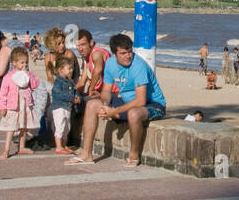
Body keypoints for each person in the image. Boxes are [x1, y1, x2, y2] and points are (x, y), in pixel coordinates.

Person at [69, 33, 167, 168]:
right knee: (92, 104)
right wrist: (104, 106)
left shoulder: (138, 66)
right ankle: (86, 154)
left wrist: (114, 111)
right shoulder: (110, 63)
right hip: (127, 102)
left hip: (153, 105)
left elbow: (140, 100)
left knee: (133, 113)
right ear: (115, 54)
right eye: (123, 53)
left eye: (129, 52)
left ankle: (134, 154)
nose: (128, 56)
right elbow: (106, 91)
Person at [0, 48, 41, 158]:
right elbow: (3, 93)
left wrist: (29, 74)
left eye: (26, 62)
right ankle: (6, 149)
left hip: (25, 104)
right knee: (11, 127)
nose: (24, 65)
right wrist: (2, 107)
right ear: (14, 63)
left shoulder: (27, 74)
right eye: (22, 62)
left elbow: (35, 84)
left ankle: (22, 147)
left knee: (24, 127)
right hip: (13, 106)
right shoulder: (9, 77)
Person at [49, 54, 78, 153]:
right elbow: (58, 94)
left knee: (67, 128)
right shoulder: (58, 82)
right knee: (60, 127)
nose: (71, 70)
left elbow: (74, 91)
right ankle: (58, 147)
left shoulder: (70, 82)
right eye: (69, 68)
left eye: (71, 68)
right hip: (59, 107)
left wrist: (77, 97)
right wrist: (72, 98)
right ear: (61, 70)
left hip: (67, 108)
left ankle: (64, 145)